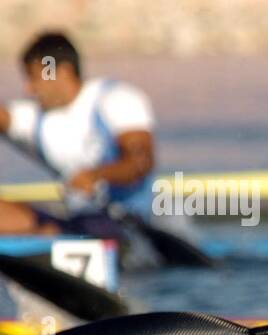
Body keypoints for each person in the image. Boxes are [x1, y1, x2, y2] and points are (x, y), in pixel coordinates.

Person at [0, 31, 156, 237]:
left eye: (34, 77)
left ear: (63, 72)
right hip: (75, 219)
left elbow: (140, 163)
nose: (28, 88)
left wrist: (95, 175)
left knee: (57, 230)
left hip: (126, 221)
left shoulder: (116, 100)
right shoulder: (34, 117)